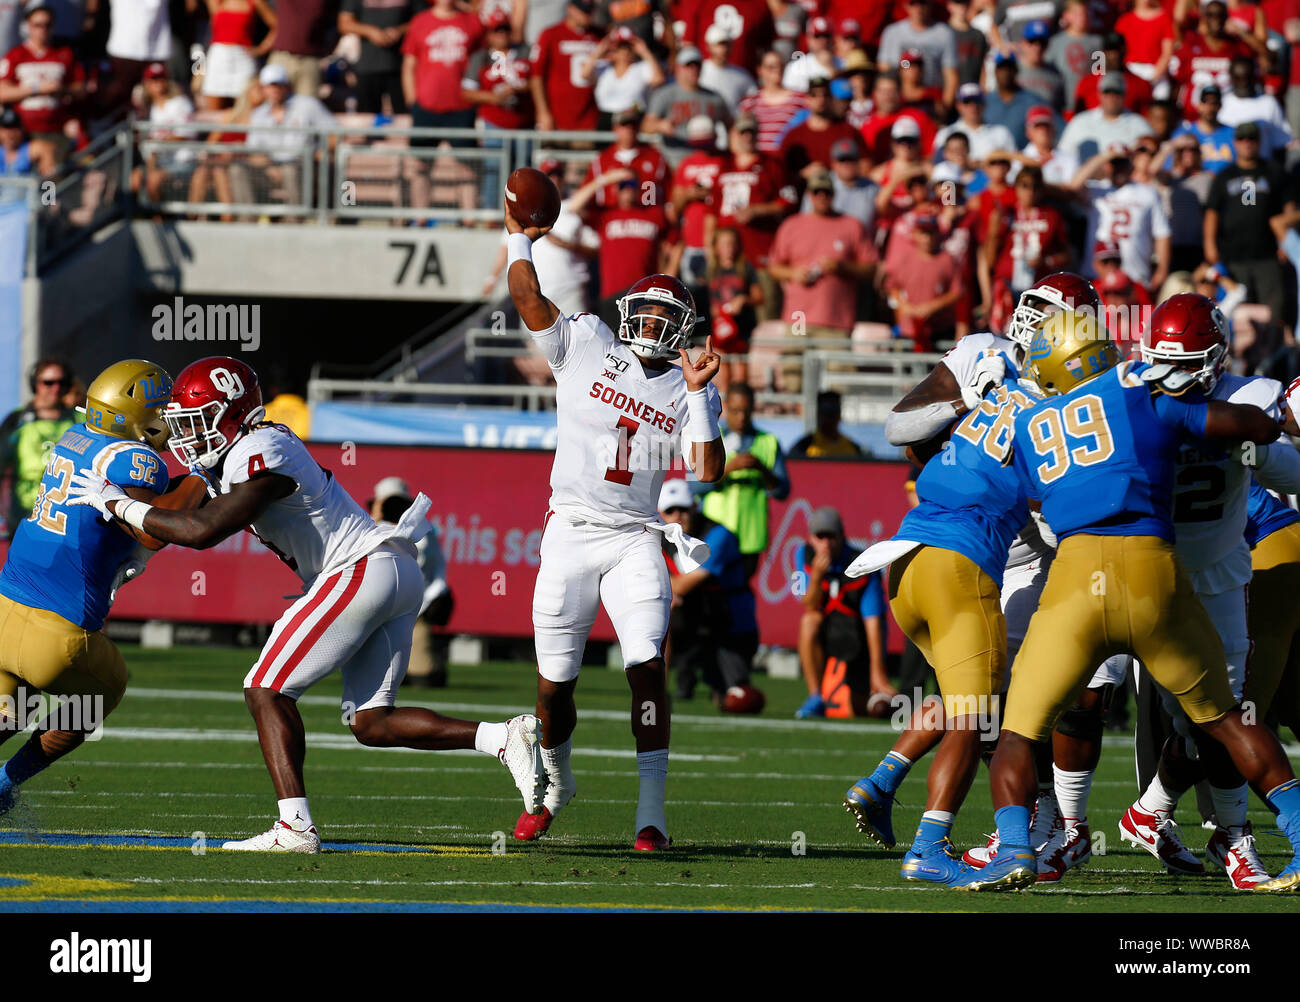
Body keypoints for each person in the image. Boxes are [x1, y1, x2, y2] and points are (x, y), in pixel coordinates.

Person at [67, 356, 545, 853]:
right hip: (389, 570)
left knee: (265, 688)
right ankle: (502, 738)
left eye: (197, 420)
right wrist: (131, 541)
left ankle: (295, 829)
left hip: (358, 569)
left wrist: (118, 502)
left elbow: (204, 531)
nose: (186, 435)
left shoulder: (262, 449)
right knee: (371, 722)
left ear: (232, 415)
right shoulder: (241, 451)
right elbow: (180, 511)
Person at [964, 307, 1300, 893]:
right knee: (1222, 716)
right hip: (1159, 573)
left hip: (1099, 578)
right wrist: (1262, 431)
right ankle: (1089, 826)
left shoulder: (1050, 412)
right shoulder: (1146, 395)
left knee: (1022, 728)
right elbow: (1264, 434)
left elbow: (1019, 492)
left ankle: (1022, 845)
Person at [499, 198, 725, 850]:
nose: (655, 324)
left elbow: (706, 469)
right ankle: (557, 781)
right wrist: (520, 238)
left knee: (646, 665)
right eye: (647, 310)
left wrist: (701, 396)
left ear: (685, 328)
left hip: (633, 537)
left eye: (668, 316)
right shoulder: (588, 341)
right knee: (552, 690)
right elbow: (528, 298)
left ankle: (651, 814)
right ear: (627, 312)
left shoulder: (689, 383)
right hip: (570, 530)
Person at [0, 360, 191, 814]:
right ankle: (4, 784)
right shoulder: (137, 458)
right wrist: (202, 479)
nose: (169, 420)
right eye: (163, 409)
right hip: (59, 629)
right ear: (134, 412)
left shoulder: (73, 437)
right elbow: (151, 529)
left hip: (5, 606)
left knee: (17, 709)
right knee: (103, 690)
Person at [767, 168, 875, 387]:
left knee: (838, 386)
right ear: (809, 195)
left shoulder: (851, 225)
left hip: (836, 319)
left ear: (834, 194)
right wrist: (794, 273)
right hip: (798, 317)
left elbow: (871, 268)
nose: (822, 196)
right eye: (817, 192)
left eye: (826, 192)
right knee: (794, 378)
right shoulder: (792, 225)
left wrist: (841, 267)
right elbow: (774, 266)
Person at [658, 478, 761, 707]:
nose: (678, 515)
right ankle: (657, 692)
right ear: (660, 514)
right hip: (689, 616)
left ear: (695, 507)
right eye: (670, 510)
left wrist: (665, 586)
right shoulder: (656, 537)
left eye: (683, 509)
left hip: (727, 619)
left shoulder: (718, 535)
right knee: (656, 610)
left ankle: (722, 681)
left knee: (735, 699)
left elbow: (685, 584)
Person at [794, 506, 891, 720]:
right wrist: (818, 577)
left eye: (832, 537)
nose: (826, 544)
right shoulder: (802, 555)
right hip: (827, 633)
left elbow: (873, 621)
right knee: (808, 621)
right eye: (820, 537)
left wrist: (878, 671)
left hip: (857, 636)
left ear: (842, 536)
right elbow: (808, 604)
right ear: (811, 538)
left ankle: (875, 686)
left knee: (866, 709)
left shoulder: (864, 564)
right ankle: (815, 695)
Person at [1204, 121, 1293, 329]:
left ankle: (1273, 358)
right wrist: (1209, 243)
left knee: (1273, 312)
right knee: (1235, 313)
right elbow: (1212, 212)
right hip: (1233, 257)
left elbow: (1288, 207)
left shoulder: (1274, 172)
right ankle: (1237, 358)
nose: (1247, 143)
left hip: (1268, 255)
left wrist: (1286, 243)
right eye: (1242, 139)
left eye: (1251, 138)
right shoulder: (1225, 175)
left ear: (1259, 142)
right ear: (1235, 142)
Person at [370, 477, 452, 689]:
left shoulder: (420, 531)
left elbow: (423, 563)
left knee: (424, 678)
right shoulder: (370, 527)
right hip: (382, 607)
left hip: (416, 606)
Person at [702, 381, 788, 577]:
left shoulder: (768, 442)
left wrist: (762, 469)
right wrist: (728, 469)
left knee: (740, 596)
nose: (741, 417)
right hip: (715, 536)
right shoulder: (708, 438)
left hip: (750, 538)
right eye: (735, 411)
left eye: (746, 411)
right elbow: (695, 487)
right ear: (725, 407)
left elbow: (783, 491)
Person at [1070, 146, 1171, 293]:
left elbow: (1162, 233)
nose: (1119, 169)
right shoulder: (1096, 190)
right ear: (1107, 166)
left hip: (1135, 276)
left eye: (1123, 163)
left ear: (1131, 164)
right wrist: (1103, 157)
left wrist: (1161, 271)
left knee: (1135, 316)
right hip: (1097, 275)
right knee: (1094, 315)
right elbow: (1073, 186)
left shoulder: (1147, 192)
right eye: (1114, 164)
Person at [0, 358, 76, 538]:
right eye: (48, 382)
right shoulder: (17, 420)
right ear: (36, 385)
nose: (56, 388)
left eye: (62, 383)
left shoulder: (78, 421)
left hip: (66, 517)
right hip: (24, 515)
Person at [0, 2, 84, 158]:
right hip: (24, 133)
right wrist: (37, 88)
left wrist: (62, 89)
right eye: (37, 25)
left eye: (47, 25)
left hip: (56, 128)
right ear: (28, 26)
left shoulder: (64, 54)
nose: (42, 30)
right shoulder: (15, 56)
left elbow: (81, 89)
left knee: (55, 176)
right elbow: (2, 92)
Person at [401, 0, 483, 141]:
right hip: (425, 106)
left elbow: (482, 62)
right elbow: (409, 65)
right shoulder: (420, 21)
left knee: (467, 159)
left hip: (462, 106)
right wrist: (412, 101)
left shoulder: (472, 21)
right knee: (422, 159)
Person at [704, 224, 761, 396]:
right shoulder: (710, 270)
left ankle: (742, 400)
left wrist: (743, 300)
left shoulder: (746, 268)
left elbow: (759, 297)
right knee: (722, 365)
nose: (728, 248)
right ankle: (725, 405)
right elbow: (701, 297)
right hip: (719, 326)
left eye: (732, 243)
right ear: (716, 247)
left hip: (741, 327)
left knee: (741, 366)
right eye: (724, 244)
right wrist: (711, 310)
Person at [529, 0, 600, 132]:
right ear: (570, 9)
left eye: (590, 11)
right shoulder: (550, 34)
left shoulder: (599, 36)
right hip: (556, 118)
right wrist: (543, 112)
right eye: (583, 10)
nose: (587, 15)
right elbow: (536, 76)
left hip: (588, 118)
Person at [644, 44, 730, 150]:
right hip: (675, 157)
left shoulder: (714, 97)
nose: (693, 70)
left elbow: (730, 125)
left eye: (697, 65)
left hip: (706, 159)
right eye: (688, 66)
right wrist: (660, 125)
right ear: (678, 68)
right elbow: (646, 126)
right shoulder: (664, 95)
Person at [877, 0, 958, 111]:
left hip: (928, 98)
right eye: (913, 3)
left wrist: (944, 110)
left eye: (923, 3)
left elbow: (951, 74)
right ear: (906, 6)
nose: (918, 8)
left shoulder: (944, 33)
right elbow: (885, 69)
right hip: (899, 100)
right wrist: (906, 71)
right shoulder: (892, 32)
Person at [1058, 72, 1155, 162]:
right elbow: (1063, 154)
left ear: (1125, 95)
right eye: (1107, 92)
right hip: (1086, 178)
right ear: (1099, 94)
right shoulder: (1080, 122)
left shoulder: (1140, 125)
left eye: (1117, 92)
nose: (1112, 97)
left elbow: (1150, 156)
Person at [582, 25, 663, 130]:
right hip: (606, 117)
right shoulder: (603, 68)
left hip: (633, 117)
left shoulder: (641, 67)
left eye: (629, 47)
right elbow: (584, 74)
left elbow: (658, 79)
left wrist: (645, 52)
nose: (625, 52)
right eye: (620, 47)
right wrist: (600, 50)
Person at [339, 0, 413, 114]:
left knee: (404, 116)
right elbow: (344, 24)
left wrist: (399, 31)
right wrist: (370, 32)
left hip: (401, 67)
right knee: (368, 119)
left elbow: (424, 18)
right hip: (367, 66)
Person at [199, 0, 275, 112]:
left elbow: (276, 25)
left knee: (244, 109)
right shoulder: (217, 2)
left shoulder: (255, 2)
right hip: (218, 57)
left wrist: (261, 49)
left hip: (242, 58)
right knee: (213, 110)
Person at [736, 48, 805, 156]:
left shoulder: (800, 99)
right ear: (760, 70)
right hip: (759, 163)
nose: (777, 70)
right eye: (771, 67)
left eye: (780, 65)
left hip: (787, 161)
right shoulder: (749, 102)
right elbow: (737, 135)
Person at [699, 22, 754, 112]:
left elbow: (753, 98)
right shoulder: (700, 71)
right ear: (708, 46)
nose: (723, 49)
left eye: (726, 44)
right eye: (719, 45)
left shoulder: (742, 75)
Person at [790, 390, 862, 457]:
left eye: (835, 409)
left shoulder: (854, 449)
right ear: (818, 414)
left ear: (839, 414)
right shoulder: (802, 448)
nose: (830, 416)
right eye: (826, 409)